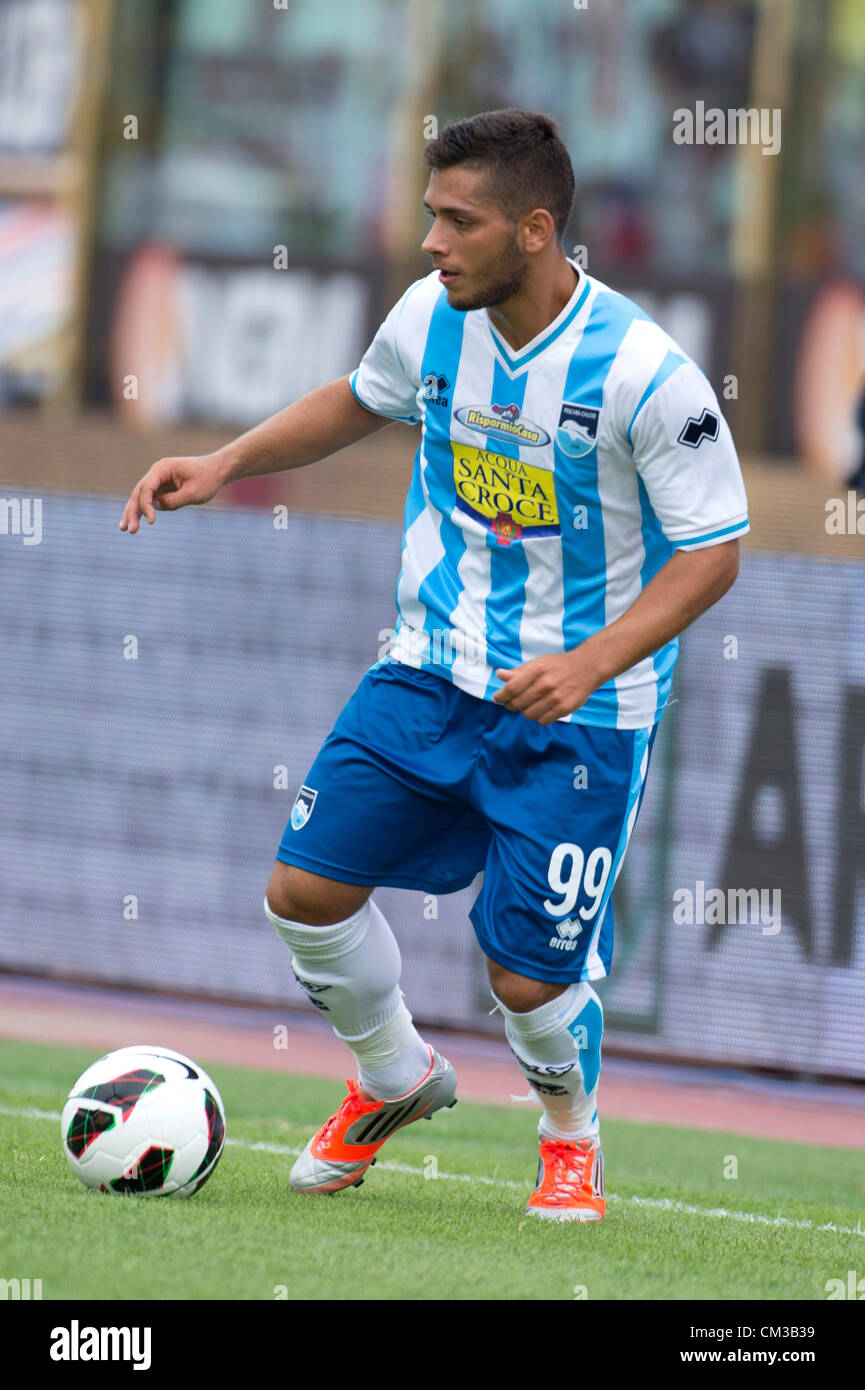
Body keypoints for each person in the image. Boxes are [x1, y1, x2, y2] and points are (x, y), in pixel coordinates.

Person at [120, 108, 748, 1222]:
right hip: (427, 669)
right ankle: (395, 1075)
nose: (431, 242)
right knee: (304, 892)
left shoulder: (648, 374)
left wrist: (588, 662)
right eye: (429, 216)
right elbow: (354, 402)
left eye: (458, 221)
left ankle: (568, 1136)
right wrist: (223, 462)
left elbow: (713, 553)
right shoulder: (431, 318)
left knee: (526, 980)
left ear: (534, 228)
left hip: (583, 716)